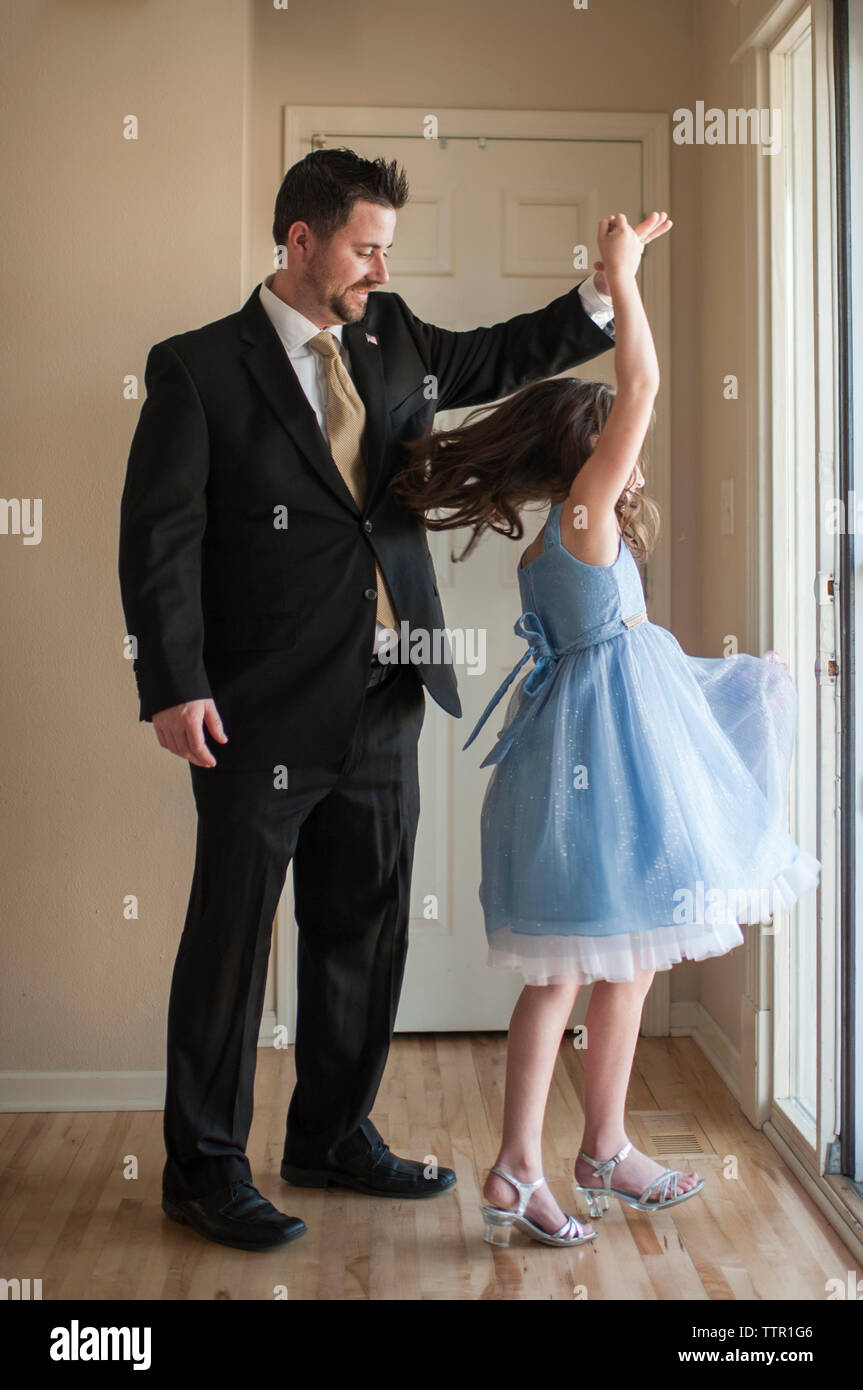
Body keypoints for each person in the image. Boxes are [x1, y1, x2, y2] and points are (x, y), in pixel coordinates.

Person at [118, 148, 673, 1252]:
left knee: (361, 925)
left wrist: (601, 289)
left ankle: (331, 1133)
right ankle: (203, 1169)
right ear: (299, 243)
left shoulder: (395, 337)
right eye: (365, 247)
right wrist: (171, 683)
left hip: (387, 688)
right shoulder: (196, 370)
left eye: (386, 249)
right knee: (232, 937)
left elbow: (508, 353)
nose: (379, 266)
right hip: (253, 706)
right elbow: (159, 541)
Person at [390, 212, 821, 1248]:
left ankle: (601, 1147)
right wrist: (620, 280)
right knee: (565, 972)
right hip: (593, 776)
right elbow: (642, 390)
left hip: (609, 762)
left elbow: (644, 661)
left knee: (622, 961)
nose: (635, 456)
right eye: (617, 443)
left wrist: (741, 674)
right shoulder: (582, 517)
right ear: (586, 456)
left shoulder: (580, 535)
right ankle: (515, 1164)